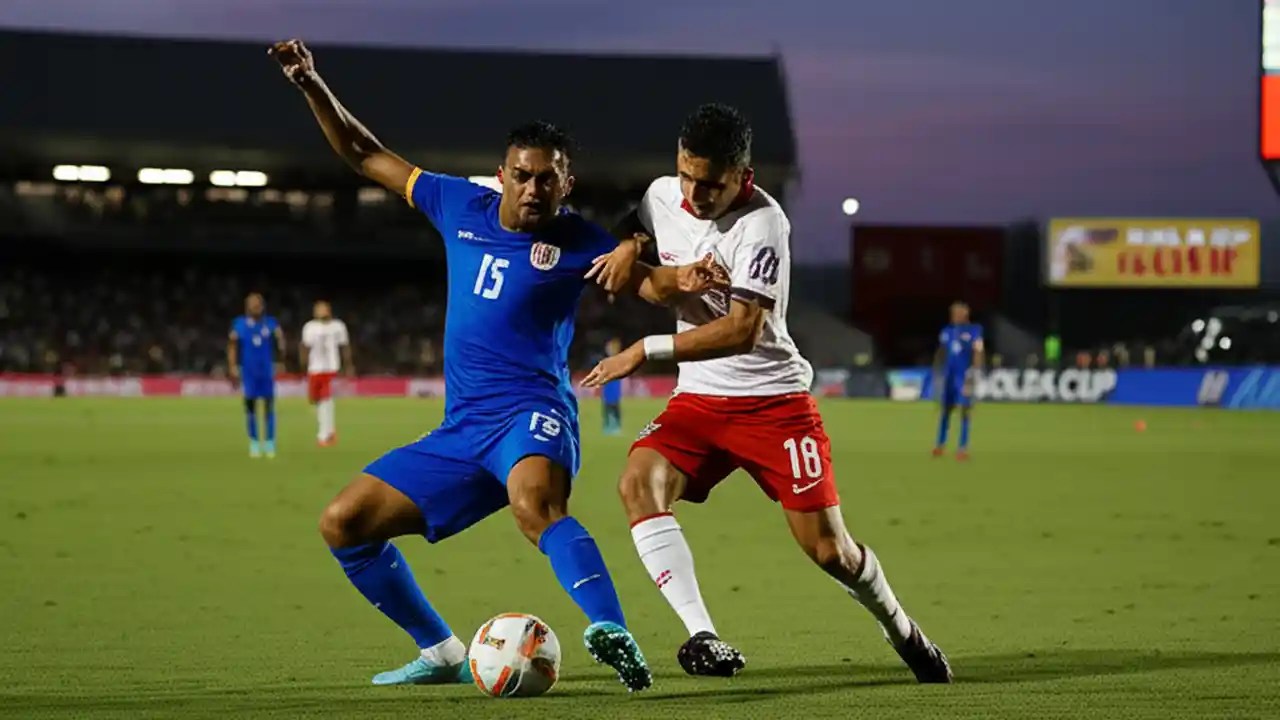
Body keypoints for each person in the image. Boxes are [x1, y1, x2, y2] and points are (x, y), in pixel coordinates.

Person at [269, 39, 721, 692]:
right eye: (523, 174)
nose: (534, 187)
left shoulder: (579, 240)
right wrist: (310, 82)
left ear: (566, 183)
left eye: (548, 177)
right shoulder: (457, 204)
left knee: (537, 508)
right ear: (501, 174)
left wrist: (682, 274)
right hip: (461, 430)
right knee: (343, 523)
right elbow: (365, 153)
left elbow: (651, 286)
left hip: (533, 417)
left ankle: (612, 630)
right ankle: (442, 650)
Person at [582, 103, 952, 683]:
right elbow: (640, 218)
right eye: (686, 175)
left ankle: (902, 629)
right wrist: (629, 241)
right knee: (637, 483)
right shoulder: (662, 195)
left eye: (711, 184)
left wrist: (643, 350)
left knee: (833, 554)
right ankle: (701, 635)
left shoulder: (763, 223)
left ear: (742, 175)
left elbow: (741, 330)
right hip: (699, 402)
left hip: (774, 405)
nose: (694, 193)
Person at [227, 292, 284, 459]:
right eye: (252, 304)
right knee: (250, 407)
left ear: (263, 306)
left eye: (258, 304)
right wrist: (232, 367)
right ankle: (253, 441)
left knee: (269, 407)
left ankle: (269, 441)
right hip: (249, 372)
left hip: (266, 371)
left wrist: (281, 359)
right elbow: (232, 346)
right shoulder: (239, 324)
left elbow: (280, 344)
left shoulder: (271, 323)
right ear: (247, 307)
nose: (255, 307)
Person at [932, 301, 984, 460]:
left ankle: (963, 447)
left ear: (965, 314)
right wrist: (936, 369)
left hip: (965, 377)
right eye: (952, 313)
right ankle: (940, 445)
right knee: (946, 410)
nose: (954, 316)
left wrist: (975, 371)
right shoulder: (947, 331)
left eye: (957, 313)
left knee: (965, 411)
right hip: (949, 377)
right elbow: (941, 352)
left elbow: (978, 351)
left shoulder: (975, 330)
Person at [300, 300, 354, 446]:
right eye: (318, 309)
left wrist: (348, 365)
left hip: (331, 368)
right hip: (314, 368)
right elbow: (305, 347)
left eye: (324, 309)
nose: (321, 311)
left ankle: (324, 435)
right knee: (316, 401)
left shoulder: (338, 326)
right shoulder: (310, 327)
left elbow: (344, 346)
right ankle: (329, 430)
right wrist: (303, 365)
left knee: (327, 400)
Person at [601, 337, 624, 436]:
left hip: (614, 388)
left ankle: (617, 426)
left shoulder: (618, 360)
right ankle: (607, 426)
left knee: (615, 408)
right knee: (606, 409)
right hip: (607, 388)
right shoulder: (605, 360)